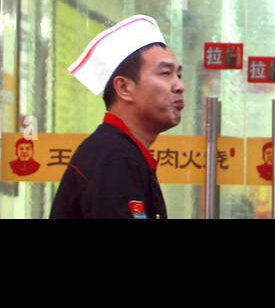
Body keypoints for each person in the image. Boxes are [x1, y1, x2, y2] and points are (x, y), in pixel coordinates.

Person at [49, 15, 184, 220]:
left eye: (179, 76)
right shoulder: (114, 159)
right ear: (124, 88)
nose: (179, 86)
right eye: (165, 73)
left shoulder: (122, 152)